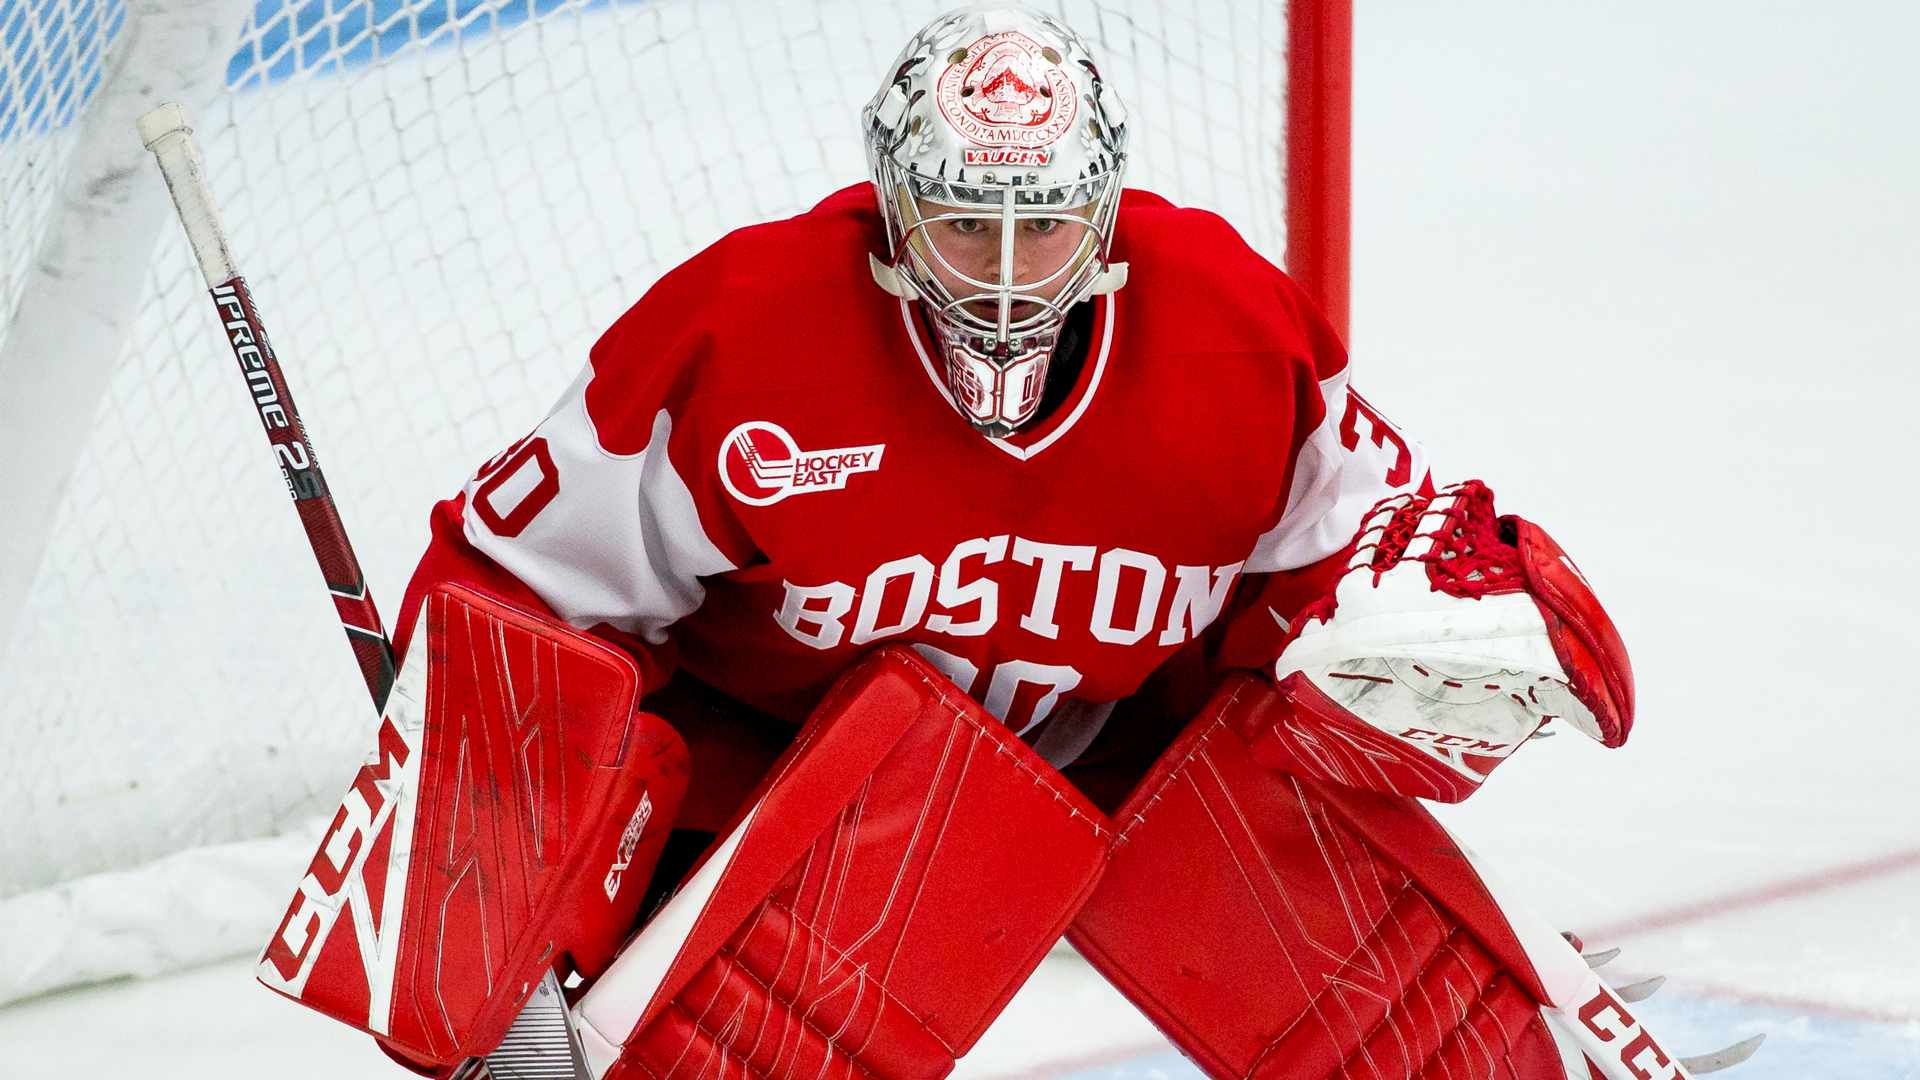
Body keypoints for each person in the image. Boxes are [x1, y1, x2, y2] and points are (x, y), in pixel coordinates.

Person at [266, 6, 1669, 1078]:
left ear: (1103, 211)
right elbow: (512, 599)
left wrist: (1442, 622)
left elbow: (1355, 567)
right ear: (892, 202)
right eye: (961, 220)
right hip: (789, 795)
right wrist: (498, 910)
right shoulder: (741, 335)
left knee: (1439, 1022)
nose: (1002, 272)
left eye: (1041, 225)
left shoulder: (1234, 331)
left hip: (1137, 767)